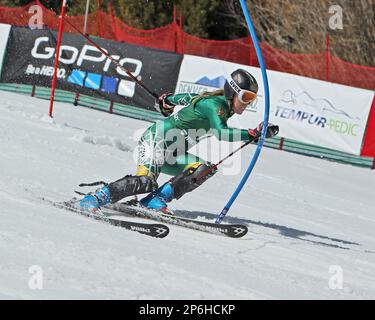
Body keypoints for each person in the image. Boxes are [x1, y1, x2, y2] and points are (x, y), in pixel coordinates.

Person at [74, 69, 279, 214]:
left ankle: (155, 200)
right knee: (145, 181)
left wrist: (167, 100)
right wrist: (252, 133)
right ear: (233, 91)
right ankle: (95, 198)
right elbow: (221, 134)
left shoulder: (214, 103)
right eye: (245, 97)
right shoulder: (215, 105)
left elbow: (187, 98)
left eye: (252, 99)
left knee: (205, 168)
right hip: (155, 141)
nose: (247, 103)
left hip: (174, 153)